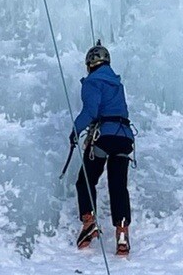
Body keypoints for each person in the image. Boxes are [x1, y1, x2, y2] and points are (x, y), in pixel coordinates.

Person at [72, 43, 135, 256]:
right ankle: (122, 233)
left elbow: (90, 111)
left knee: (86, 180)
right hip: (124, 137)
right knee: (118, 185)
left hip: (104, 136)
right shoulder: (117, 84)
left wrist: (75, 130)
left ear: (90, 64)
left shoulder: (92, 82)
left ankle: (89, 221)